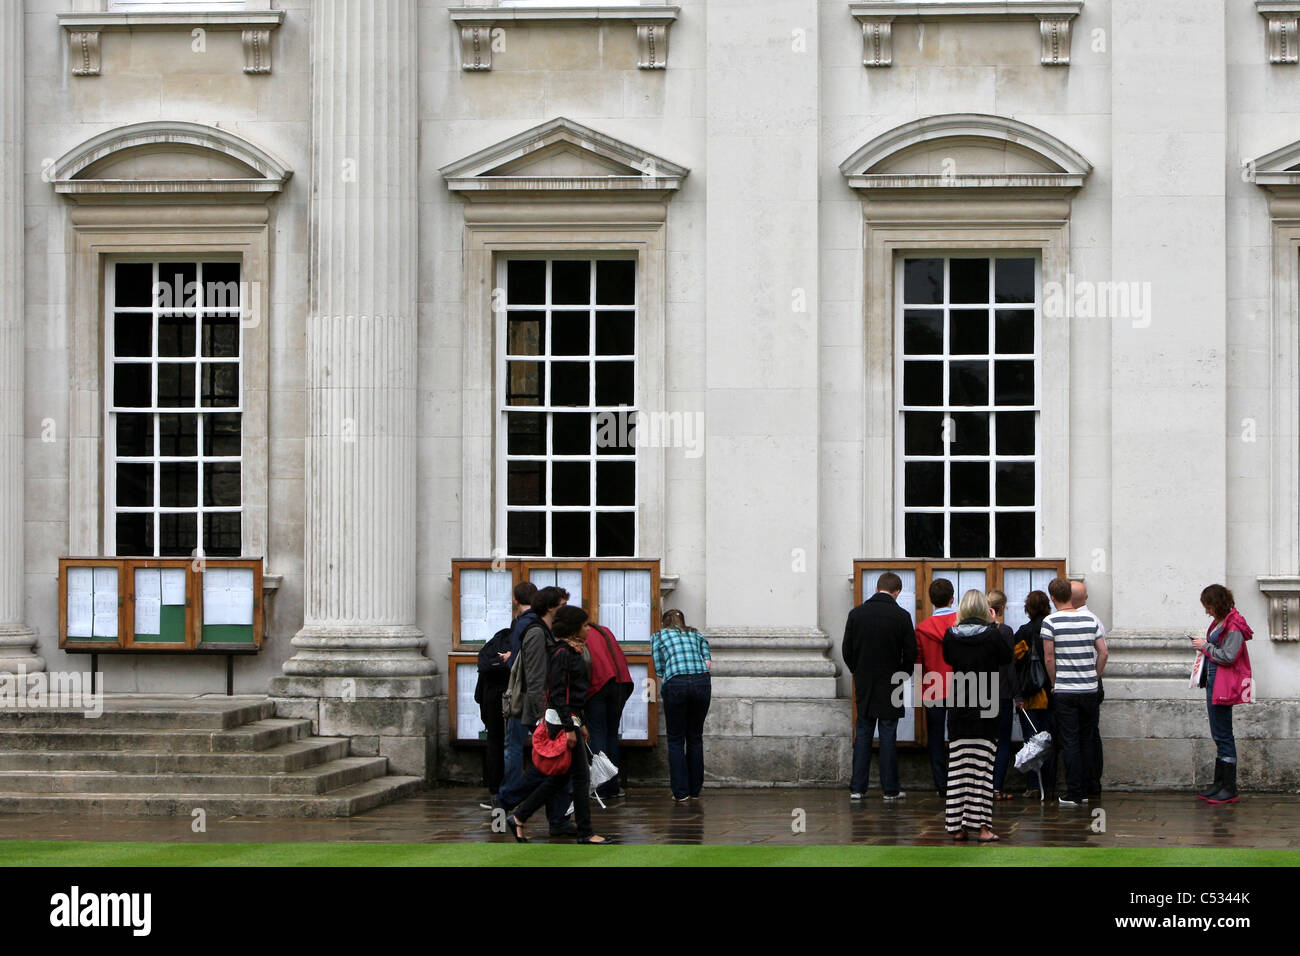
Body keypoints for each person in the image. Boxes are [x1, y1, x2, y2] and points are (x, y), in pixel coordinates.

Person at [506, 605, 613, 844]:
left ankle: (520, 816)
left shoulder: (572, 651)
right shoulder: (563, 653)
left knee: (559, 779)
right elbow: (557, 693)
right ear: (575, 628)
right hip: (563, 721)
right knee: (581, 777)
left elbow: (572, 696)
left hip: (569, 719)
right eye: (584, 625)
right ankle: (585, 832)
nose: (588, 629)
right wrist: (569, 727)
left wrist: (580, 722)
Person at [498, 586, 574, 835]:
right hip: (544, 711)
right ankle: (508, 800)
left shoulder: (546, 632)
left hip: (549, 709)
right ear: (551, 607)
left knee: (558, 767)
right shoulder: (537, 633)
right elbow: (536, 677)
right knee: (550, 768)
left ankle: (558, 820)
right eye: (562, 605)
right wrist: (543, 715)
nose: (565, 610)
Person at [942, 589, 1012, 842]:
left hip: (960, 704)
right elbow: (1006, 657)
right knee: (982, 770)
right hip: (986, 704)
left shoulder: (950, 635)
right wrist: (993, 624)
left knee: (958, 769)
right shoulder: (993, 635)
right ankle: (983, 827)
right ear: (985, 609)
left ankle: (957, 826)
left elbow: (948, 658)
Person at [842, 572, 918, 801]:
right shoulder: (902, 616)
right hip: (892, 681)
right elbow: (911, 653)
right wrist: (902, 674)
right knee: (888, 734)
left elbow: (847, 650)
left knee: (864, 732)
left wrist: (858, 670)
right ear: (897, 592)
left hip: (865, 680)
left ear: (876, 589)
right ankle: (890, 789)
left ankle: (857, 787)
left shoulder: (856, 614)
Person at [1042, 577, 1106, 807]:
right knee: (1087, 739)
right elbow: (1104, 653)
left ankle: (1075, 792)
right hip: (1088, 688)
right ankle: (1089, 787)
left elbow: (1049, 657)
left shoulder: (1050, 622)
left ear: (1052, 597)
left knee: (1070, 740)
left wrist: (1054, 681)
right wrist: (1094, 676)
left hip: (1065, 689)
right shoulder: (1091, 618)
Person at [1192, 584, 1254, 804]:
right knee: (1218, 733)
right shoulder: (1222, 622)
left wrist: (1204, 646)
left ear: (1216, 604)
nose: (1206, 611)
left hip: (1223, 684)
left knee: (1223, 733)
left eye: (1208, 606)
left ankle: (1229, 788)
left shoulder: (1234, 625)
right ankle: (1220, 784)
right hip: (1214, 682)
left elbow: (1228, 656)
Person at [651, 609, 712, 802]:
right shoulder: (696, 634)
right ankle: (695, 790)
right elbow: (708, 663)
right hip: (702, 681)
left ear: (664, 622)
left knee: (676, 739)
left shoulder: (658, 637)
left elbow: (659, 669)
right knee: (695, 737)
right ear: (683, 621)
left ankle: (681, 792)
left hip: (676, 682)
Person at [496, 581, 539, 809]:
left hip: (521, 692)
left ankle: (509, 793)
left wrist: (509, 658)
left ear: (515, 600)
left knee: (513, 745)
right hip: (538, 692)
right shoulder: (540, 623)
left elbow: (516, 663)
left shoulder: (521, 624)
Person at [913, 578, 957, 795]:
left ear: (931, 600)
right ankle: (960, 782)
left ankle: (942, 784)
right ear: (952, 599)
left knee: (936, 738)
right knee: (959, 736)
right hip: (961, 686)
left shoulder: (922, 629)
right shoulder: (960, 623)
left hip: (933, 687)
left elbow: (918, 663)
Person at [585, 615, 635, 799]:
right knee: (611, 734)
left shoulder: (581, 634)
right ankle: (613, 786)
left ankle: (602, 787)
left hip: (599, 684)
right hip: (621, 683)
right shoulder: (603, 630)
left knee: (597, 733)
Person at [1012, 590, 1055, 799]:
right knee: (1049, 741)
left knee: (1031, 742)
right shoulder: (1053, 629)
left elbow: (1015, 664)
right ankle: (1049, 783)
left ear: (1027, 608)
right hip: (1050, 694)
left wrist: (1017, 695)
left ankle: (1033, 785)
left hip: (1028, 696)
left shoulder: (1022, 632)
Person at [1070, 580, 1107, 798]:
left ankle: (1082, 785)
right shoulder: (1093, 619)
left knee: (1078, 736)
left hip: (1076, 683)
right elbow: (1103, 653)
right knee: (1090, 735)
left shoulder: (1084, 619)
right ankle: (1091, 783)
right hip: (1091, 681)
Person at [474, 620, 513, 806]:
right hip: (508, 696)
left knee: (495, 742)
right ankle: (506, 792)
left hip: (490, 697)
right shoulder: (518, 641)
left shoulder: (497, 639)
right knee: (511, 743)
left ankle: (496, 791)